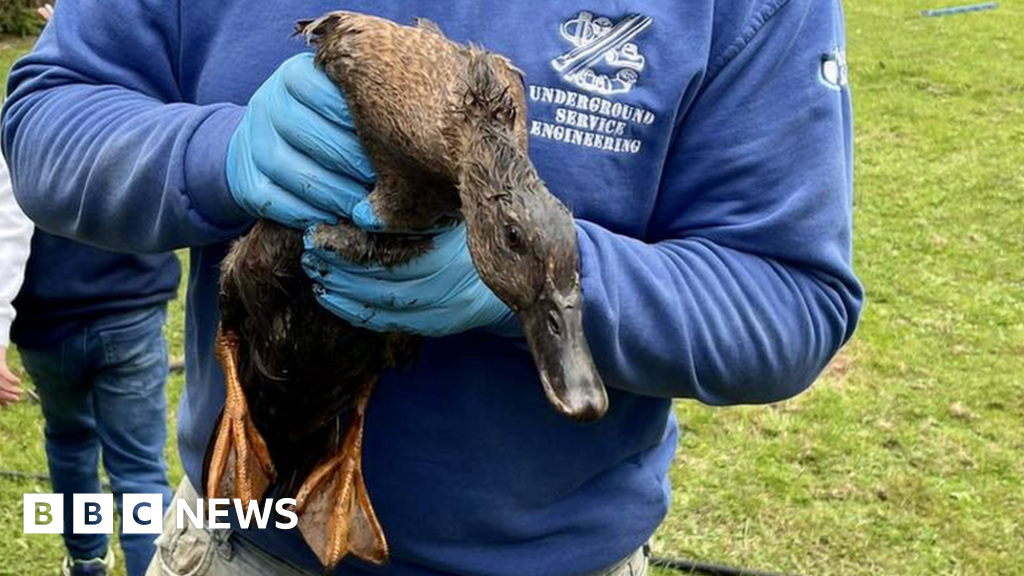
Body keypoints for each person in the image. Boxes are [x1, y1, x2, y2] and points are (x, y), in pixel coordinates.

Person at [2, 1, 863, 575]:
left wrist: (544, 291)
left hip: (558, 562)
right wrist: (217, 156)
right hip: (241, 546)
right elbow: (47, 116)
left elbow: (789, 298)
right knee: (260, 284)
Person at [0, 7, 178, 576]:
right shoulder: (140, 101)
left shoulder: (27, 115)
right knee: (139, 466)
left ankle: (86, 563)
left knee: (70, 442)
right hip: (128, 315)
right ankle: (147, 564)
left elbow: (5, 229)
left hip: (46, 327)